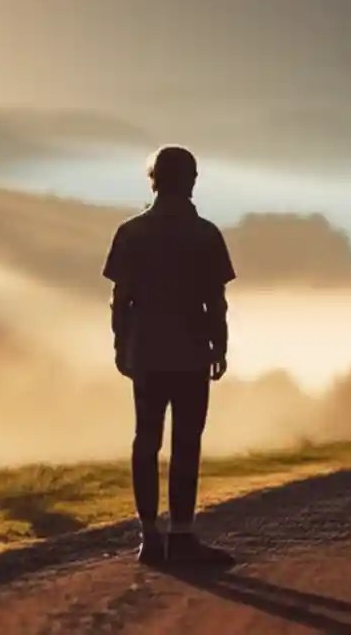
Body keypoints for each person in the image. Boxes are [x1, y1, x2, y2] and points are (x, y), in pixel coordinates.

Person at [102, 145, 237, 567]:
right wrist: (220, 344)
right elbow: (216, 301)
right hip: (192, 350)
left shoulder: (131, 232)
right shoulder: (206, 234)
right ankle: (181, 536)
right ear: (191, 180)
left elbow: (119, 299)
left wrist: (122, 344)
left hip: (147, 349)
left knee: (146, 439)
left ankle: (149, 537)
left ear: (153, 180)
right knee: (186, 443)